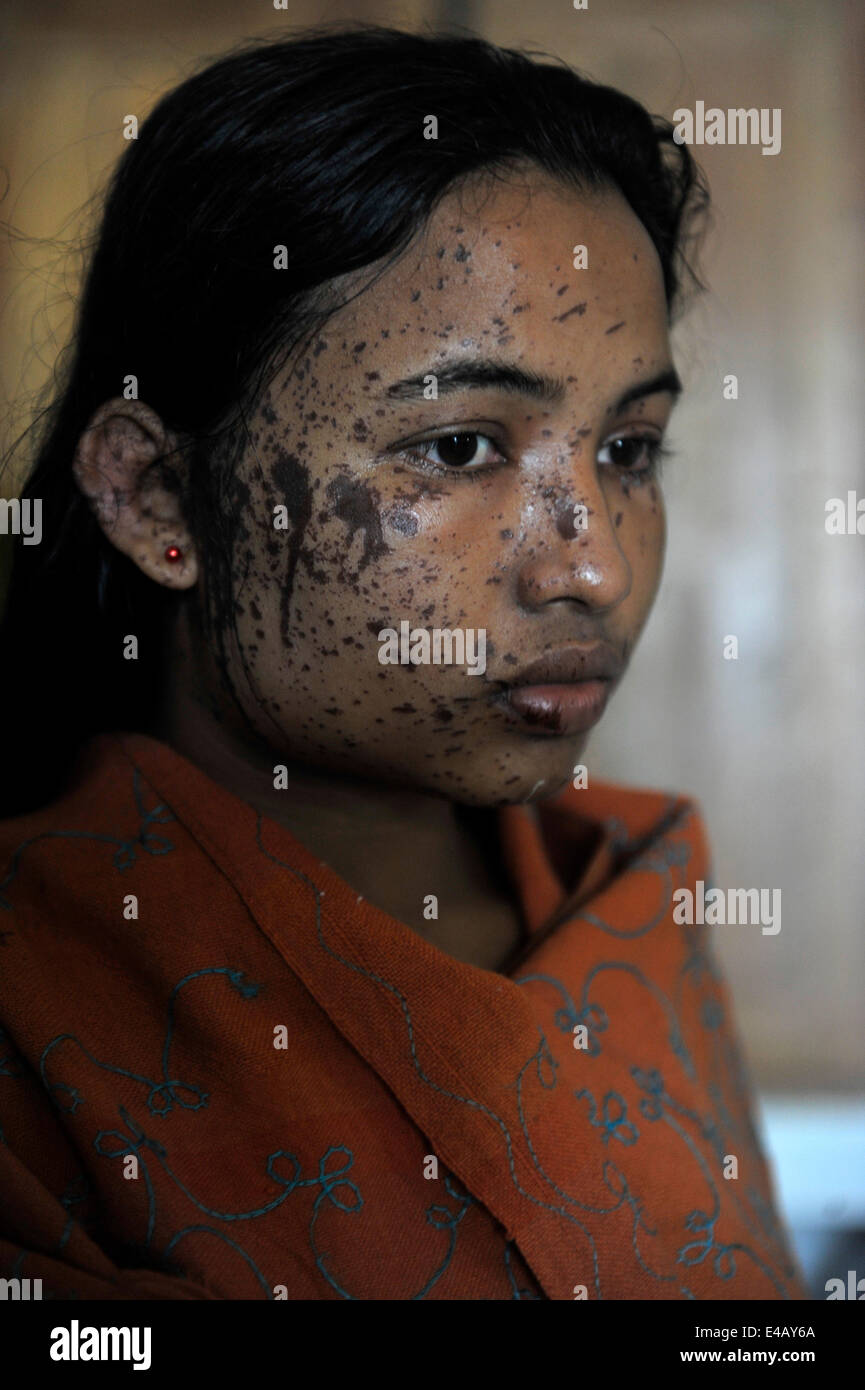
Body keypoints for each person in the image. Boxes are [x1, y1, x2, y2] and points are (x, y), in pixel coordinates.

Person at [0, 25, 808, 1300]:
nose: (591, 568)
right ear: (158, 495)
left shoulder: (635, 899)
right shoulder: (37, 1008)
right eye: (458, 448)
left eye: (629, 450)